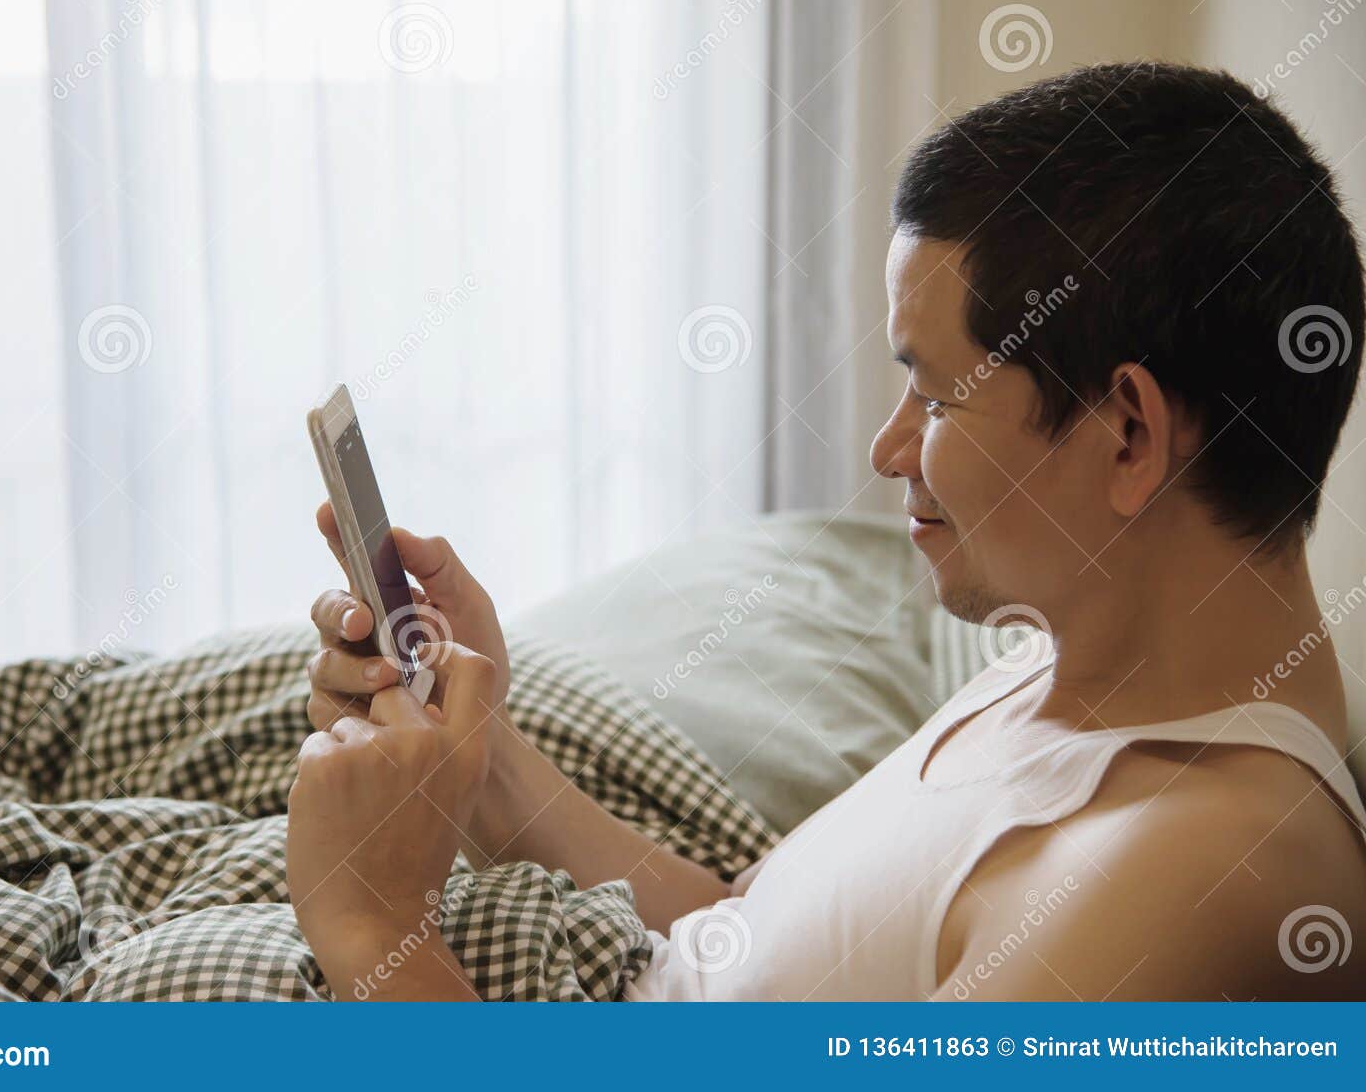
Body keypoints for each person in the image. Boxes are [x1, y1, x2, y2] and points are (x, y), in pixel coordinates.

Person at [285, 62, 1366, 1000]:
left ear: (1127, 436)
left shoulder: (1191, 873)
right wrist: (482, 755)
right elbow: (744, 943)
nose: (889, 451)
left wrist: (372, 929)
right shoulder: (1079, 655)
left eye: (936, 399)